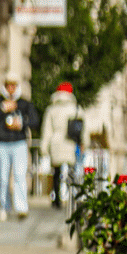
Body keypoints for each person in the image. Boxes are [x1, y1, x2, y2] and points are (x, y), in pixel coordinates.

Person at [0, 72, 39, 221]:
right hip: (2, 142)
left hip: (19, 142)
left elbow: (35, 120)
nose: (10, 88)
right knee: (3, 176)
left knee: (19, 175)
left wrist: (22, 123)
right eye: (8, 85)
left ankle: (22, 207)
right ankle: (4, 206)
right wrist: (3, 109)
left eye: (13, 85)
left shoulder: (23, 103)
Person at [39, 81, 80, 209]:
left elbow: (47, 130)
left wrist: (44, 147)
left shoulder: (52, 109)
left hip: (56, 142)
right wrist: (84, 143)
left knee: (56, 172)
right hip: (70, 142)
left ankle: (56, 198)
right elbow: (83, 127)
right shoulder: (76, 108)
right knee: (72, 172)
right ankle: (72, 195)